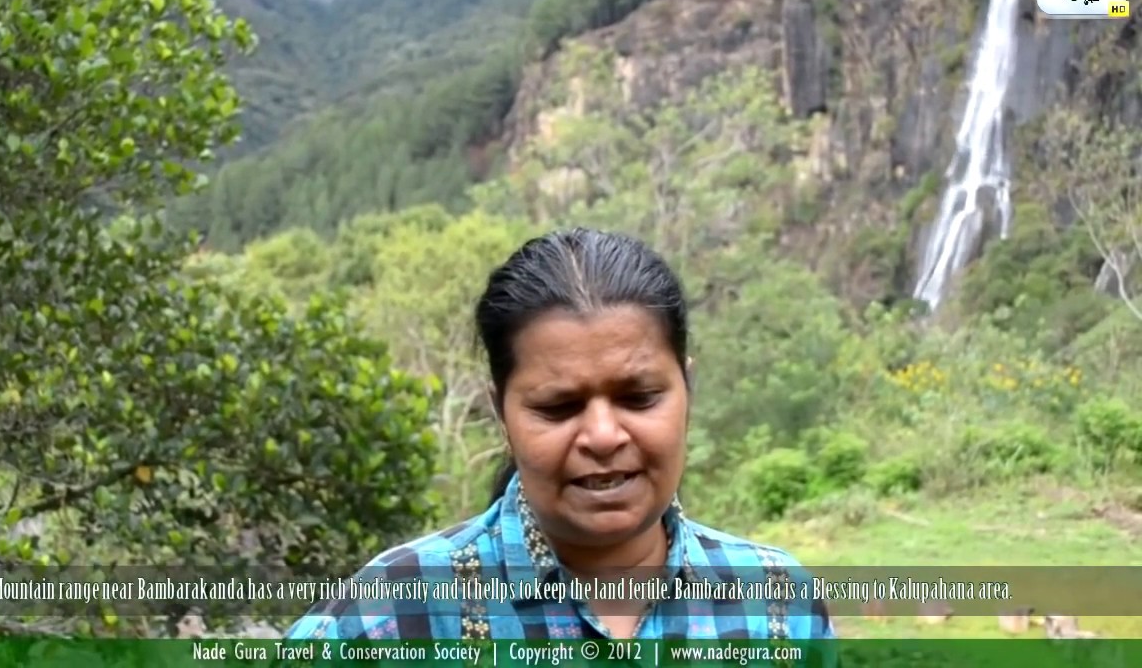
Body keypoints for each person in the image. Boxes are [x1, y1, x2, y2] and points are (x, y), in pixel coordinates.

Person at [285, 228, 835, 642]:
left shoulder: (778, 605)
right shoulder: (388, 616)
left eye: (639, 398)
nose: (601, 435)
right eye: (558, 406)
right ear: (502, 414)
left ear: (687, 388)